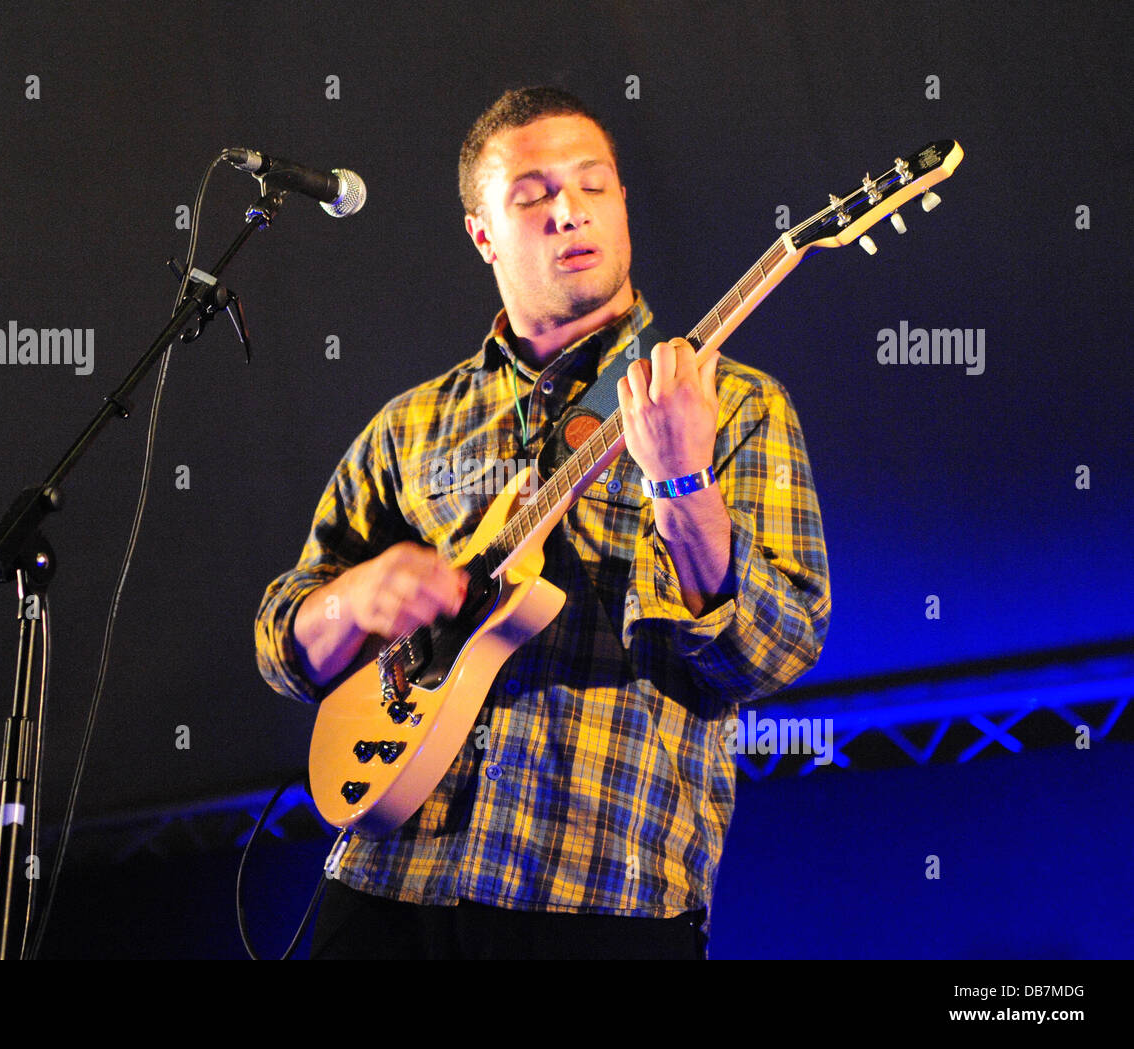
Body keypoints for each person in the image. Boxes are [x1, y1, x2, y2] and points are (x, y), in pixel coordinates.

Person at [254, 86, 830, 960]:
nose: (569, 212)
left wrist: (682, 484)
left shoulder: (731, 401)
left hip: (602, 905)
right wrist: (352, 601)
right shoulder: (412, 426)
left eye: (593, 186)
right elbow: (280, 645)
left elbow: (775, 648)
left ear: (623, 203)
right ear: (483, 232)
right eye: (532, 197)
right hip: (383, 890)